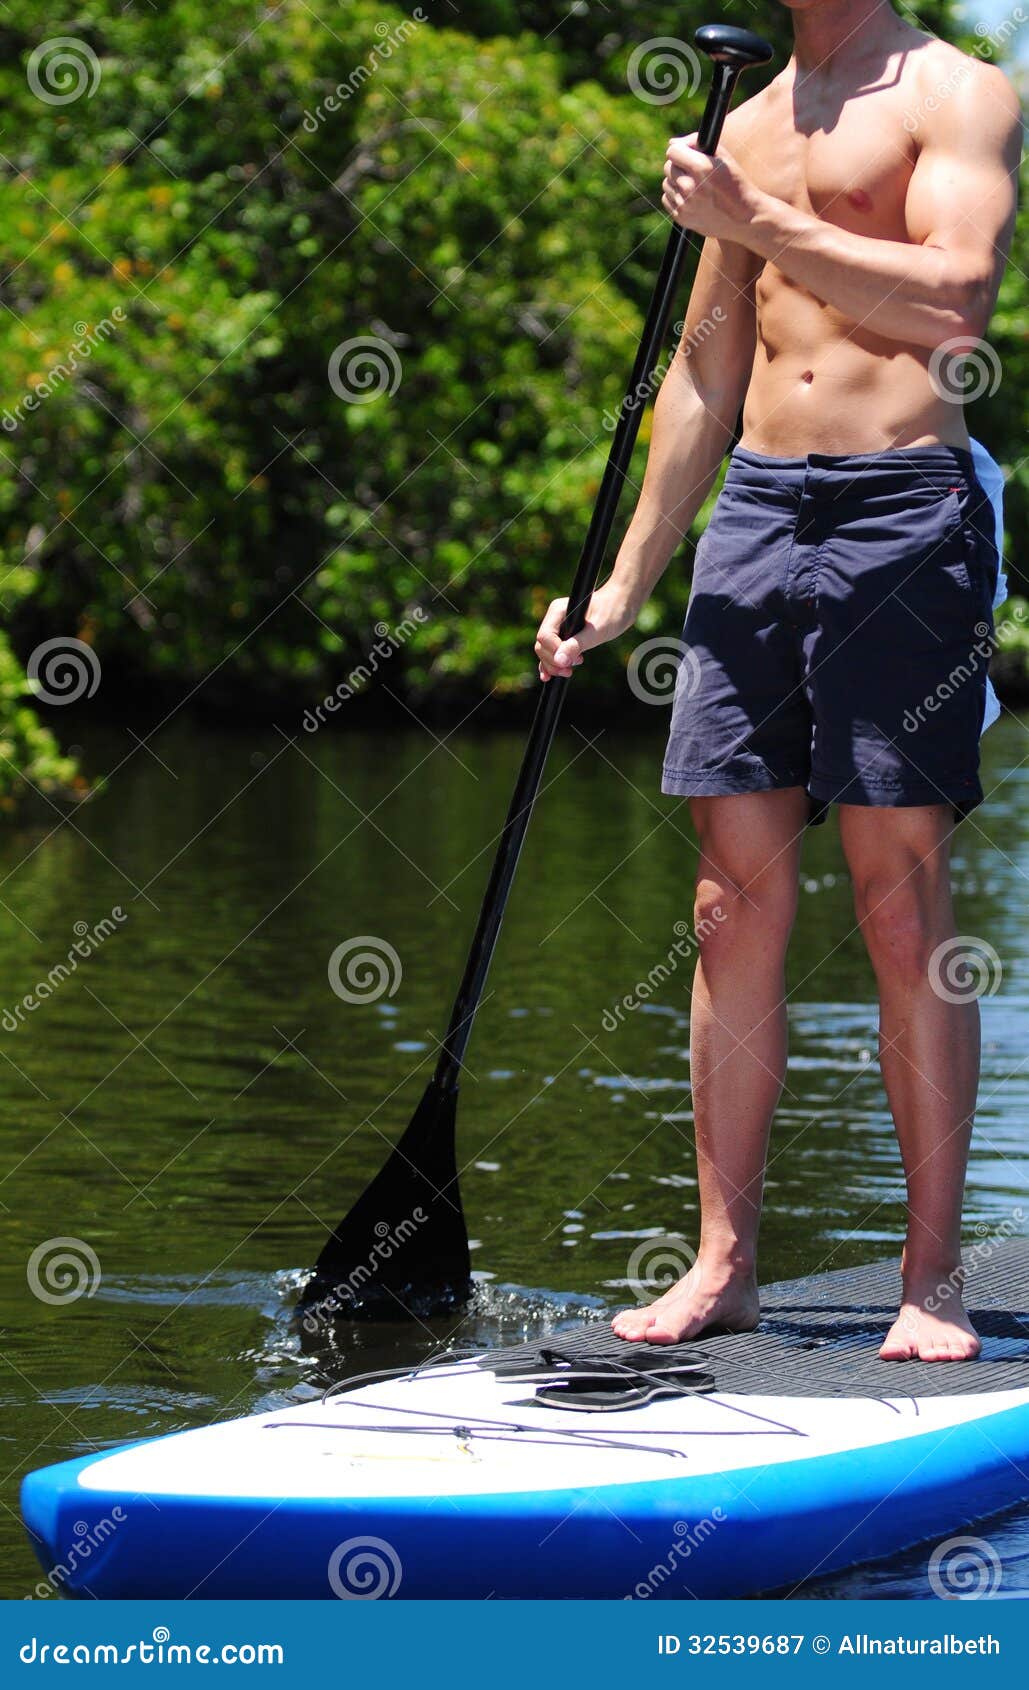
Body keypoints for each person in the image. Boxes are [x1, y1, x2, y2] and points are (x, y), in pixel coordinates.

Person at [534, 0, 1021, 1361]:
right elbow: (706, 363)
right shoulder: (746, 116)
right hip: (756, 511)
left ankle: (929, 1281)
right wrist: (624, 580)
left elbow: (952, 299)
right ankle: (723, 1263)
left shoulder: (957, 90)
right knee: (725, 897)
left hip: (902, 507)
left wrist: (755, 218)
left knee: (896, 891)